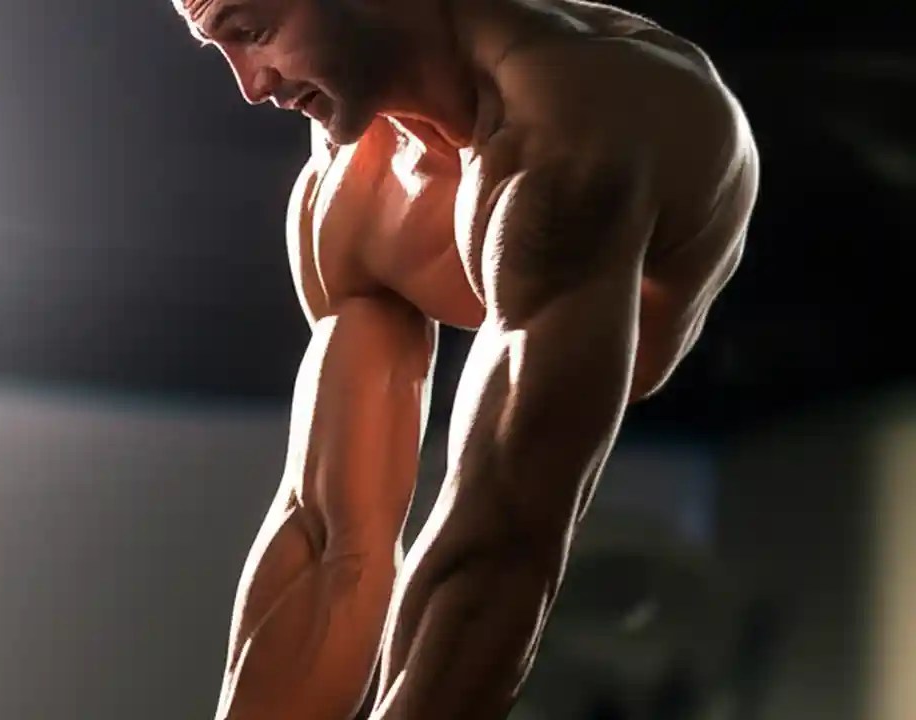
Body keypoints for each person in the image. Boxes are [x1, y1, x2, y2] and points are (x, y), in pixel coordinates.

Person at [170, 0, 759, 718]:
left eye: (254, 32)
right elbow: (330, 538)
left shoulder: (573, 127)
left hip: (615, 256)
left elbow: (502, 534)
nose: (250, 88)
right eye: (218, 47)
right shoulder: (347, 189)